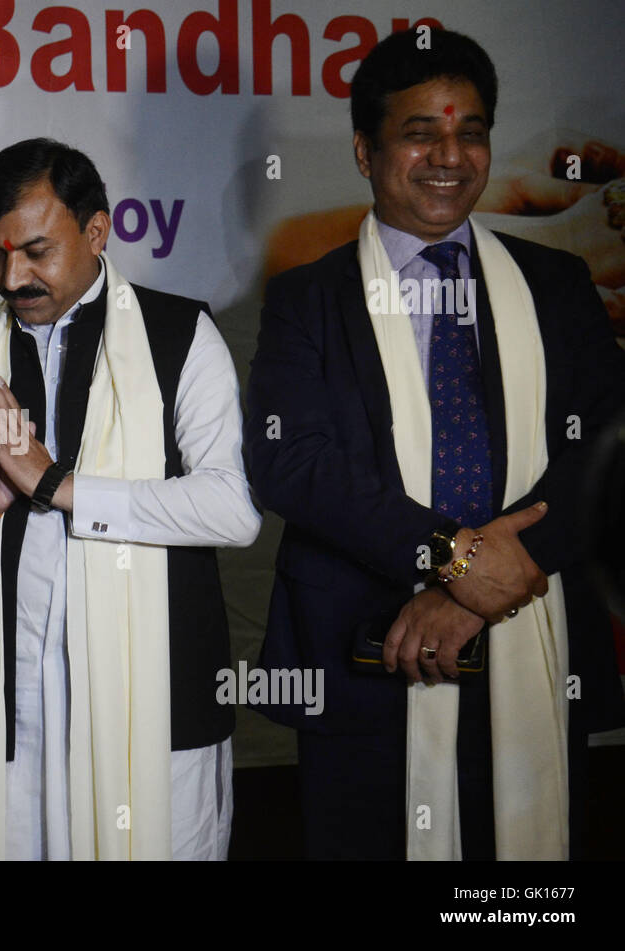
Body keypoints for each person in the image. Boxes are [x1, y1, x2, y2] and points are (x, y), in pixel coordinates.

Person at [244, 28, 625, 860]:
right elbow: (291, 463)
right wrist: (453, 556)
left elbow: (605, 455)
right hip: (366, 652)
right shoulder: (307, 298)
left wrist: (471, 587)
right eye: (420, 133)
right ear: (365, 150)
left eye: (472, 131)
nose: (450, 156)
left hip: (532, 635)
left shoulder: (554, 285)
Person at [0, 139, 260, 860]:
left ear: (96, 232)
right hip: (12, 716)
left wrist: (55, 485)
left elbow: (231, 509)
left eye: (35, 251)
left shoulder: (179, 333)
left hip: (156, 710)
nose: (12, 276)